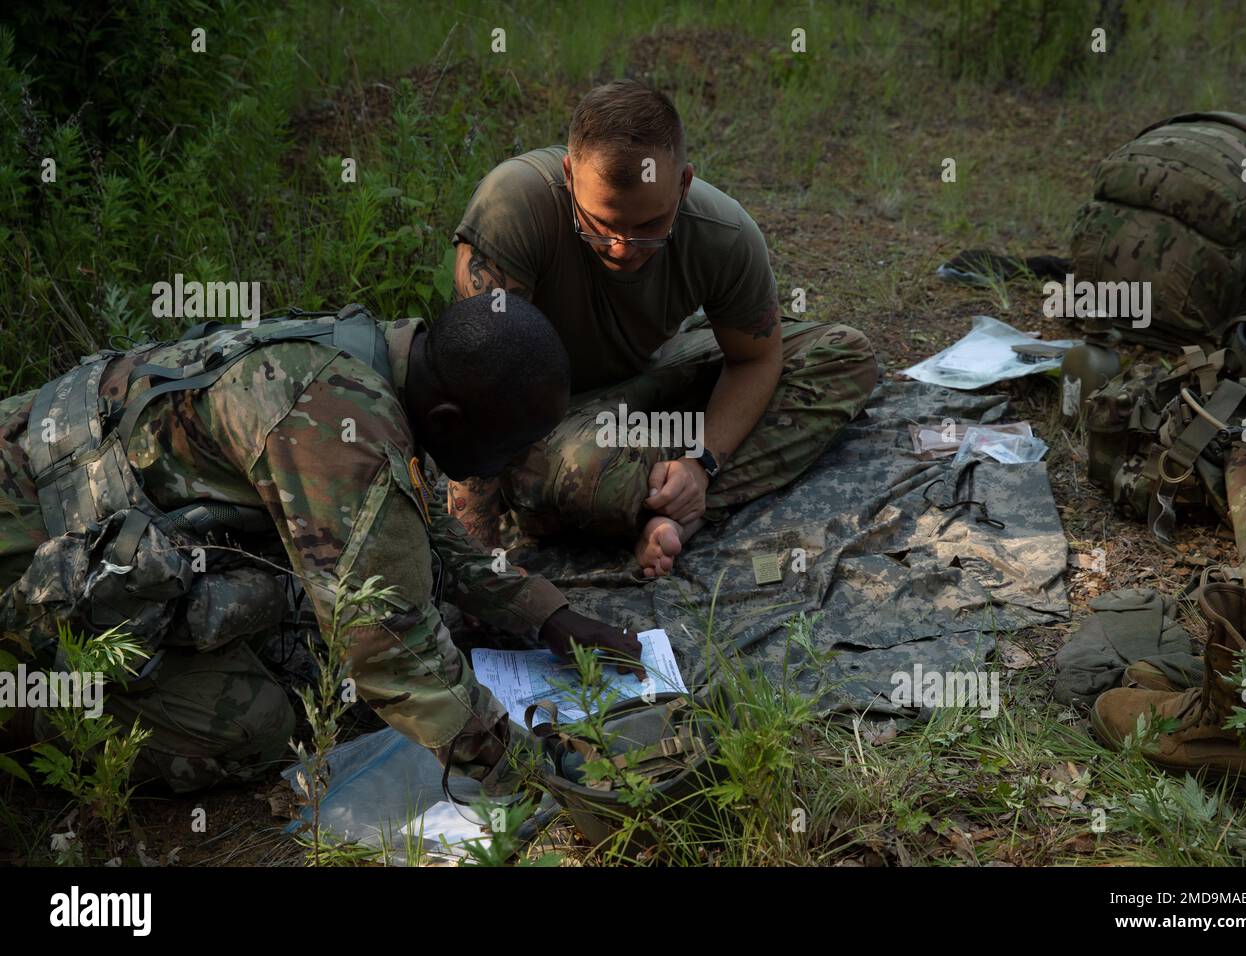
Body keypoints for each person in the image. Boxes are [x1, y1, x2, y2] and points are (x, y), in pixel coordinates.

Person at [0, 294, 640, 793]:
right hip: (25, 549)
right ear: (449, 420)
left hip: (43, 461)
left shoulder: (368, 355)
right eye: (506, 451)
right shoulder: (341, 427)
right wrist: (533, 770)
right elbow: (390, 649)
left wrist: (542, 610)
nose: (503, 470)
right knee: (255, 725)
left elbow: (408, 518)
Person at [446, 79, 879, 578]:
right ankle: (642, 496)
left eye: (650, 226)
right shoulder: (514, 207)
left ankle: (676, 504)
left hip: (649, 382)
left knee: (843, 354)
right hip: (546, 416)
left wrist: (702, 465)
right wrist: (476, 567)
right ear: (569, 176)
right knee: (586, 470)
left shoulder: (724, 233)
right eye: (600, 225)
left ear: (684, 184)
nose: (623, 248)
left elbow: (755, 358)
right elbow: (476, 386)